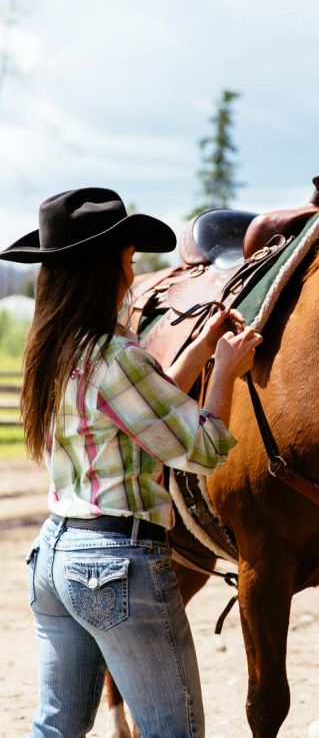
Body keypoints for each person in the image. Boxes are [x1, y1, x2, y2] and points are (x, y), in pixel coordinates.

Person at [0, 187, 262, 738]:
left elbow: (148, 401)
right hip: (117, 563)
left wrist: (205, 343)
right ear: (104, 271)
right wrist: (225, 373)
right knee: (174, 731)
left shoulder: (53, 350)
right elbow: (204, 448)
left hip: (55, 555)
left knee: (55, 728)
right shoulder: (116, 357)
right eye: (128, 259)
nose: (133, 270)